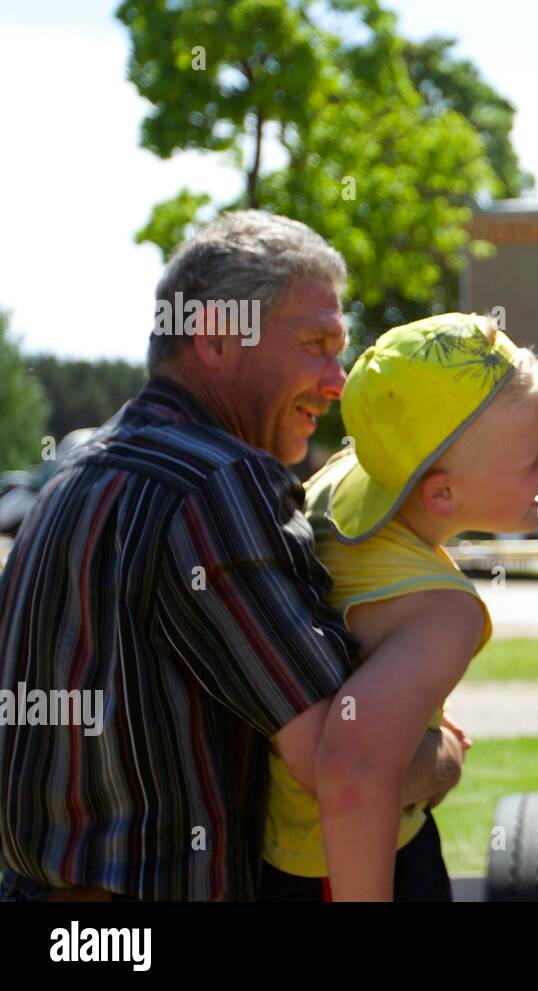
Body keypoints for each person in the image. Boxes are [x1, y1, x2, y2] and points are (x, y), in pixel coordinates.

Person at [0, 211, 448, 901]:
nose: (338, 381)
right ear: (215, 338)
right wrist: (440, 755)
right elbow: (336, 753)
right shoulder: (215, 481)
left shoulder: (76, 466)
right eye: (316, 344)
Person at [259, 313, 538, 901]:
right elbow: (352, 774)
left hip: (292, 857)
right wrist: (443, 757)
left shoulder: (353, 474)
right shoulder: (441, 611)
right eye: (532, 455)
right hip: (350, 866)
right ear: (442, 493)